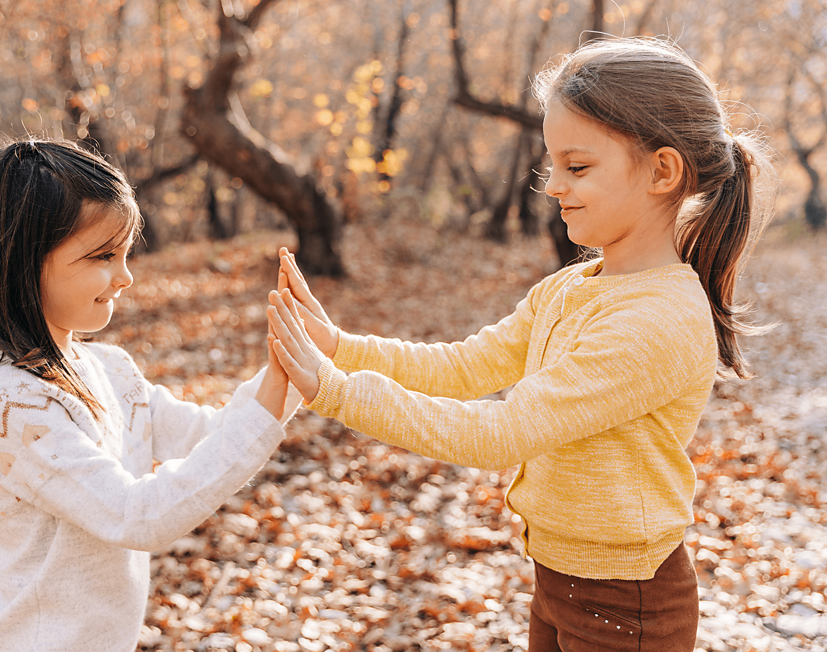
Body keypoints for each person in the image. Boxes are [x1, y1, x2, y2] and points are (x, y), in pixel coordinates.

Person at [267, 37, 774, 652]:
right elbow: (465, 366)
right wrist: (343, 347)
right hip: (560, 580)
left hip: (629, 606)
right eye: (551, 164)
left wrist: (337, 392)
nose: (553, 184)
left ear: (663, 172)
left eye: (578, 166)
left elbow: (500, 432)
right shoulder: (572, 287)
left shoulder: (655, 322)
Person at [0, 138, 302, 652]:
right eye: (103, 255)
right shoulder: (10, 405)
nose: (125, 276)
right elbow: (137, 514)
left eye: (125, 253)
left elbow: (210, 437)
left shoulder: (110, 369)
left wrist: (294, 371)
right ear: (20, 261)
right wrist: (277, 392)